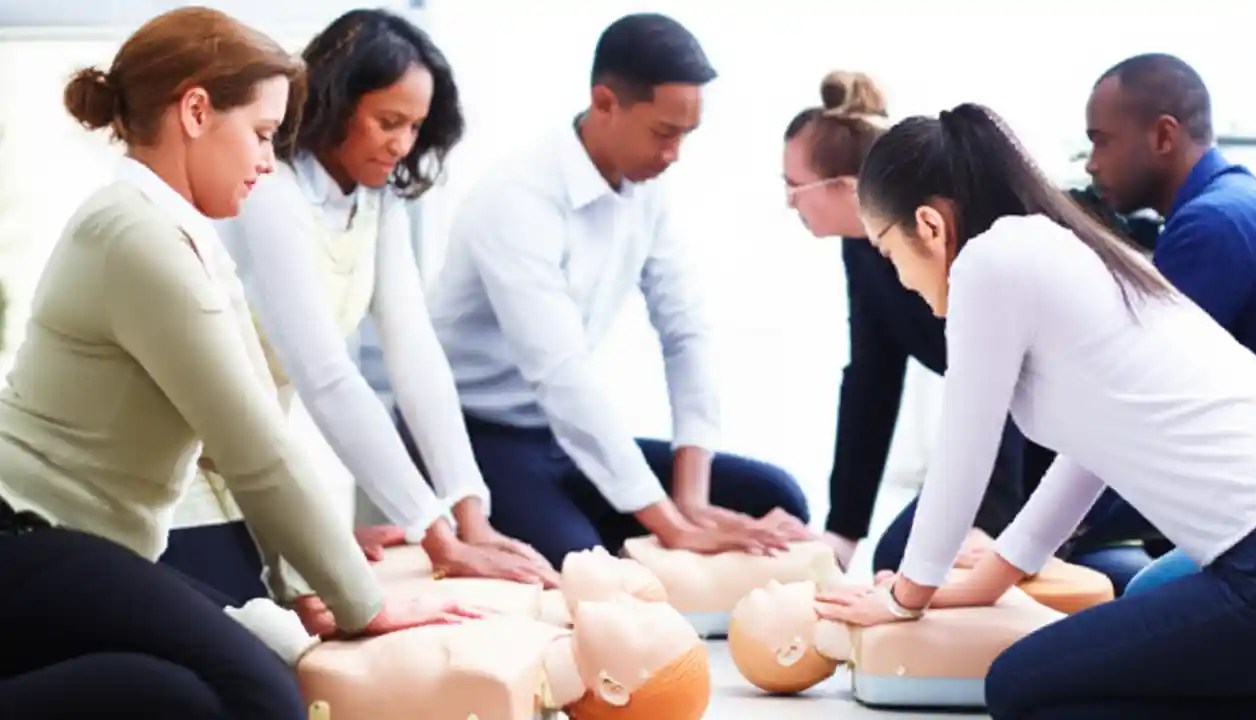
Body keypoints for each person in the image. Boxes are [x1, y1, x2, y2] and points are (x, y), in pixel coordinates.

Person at [0, 9, 474, 718]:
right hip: (26, 535)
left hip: (88, 545)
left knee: (181, 695)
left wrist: (297, 590)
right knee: (261, 692)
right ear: (195, 111)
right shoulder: (133, 234)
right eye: (259, 134)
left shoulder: (185, 237)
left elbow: (239, 450)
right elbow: (254, 447)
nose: (266, 159)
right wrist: (362, 603)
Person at [809, 102, 1256, 718]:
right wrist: (989, 578)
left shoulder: (987, 263)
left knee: (1023, 688)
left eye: (888, 252)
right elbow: (1089, 456)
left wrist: (905, 597)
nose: (898, 279)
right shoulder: (1066, 246)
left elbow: (964, 452)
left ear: (928, 225)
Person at [160, 8, 558, 609]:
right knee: (264, 650)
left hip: (251, 471)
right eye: (388, 121)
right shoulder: (270, 192)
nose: (402, 144)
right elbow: (325, 376)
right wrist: (433, 533)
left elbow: (416, 355)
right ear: (335, 104)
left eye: (416, 127)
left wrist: (469, 514)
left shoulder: (377, 202)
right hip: (178, 472)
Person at [422, 12, 810, 569]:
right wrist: (671, 527)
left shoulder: (645, 187)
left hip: (563, 438)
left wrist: (691, 500)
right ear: (605, 102)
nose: (674, 153)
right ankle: (610, 531)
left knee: (777, 498)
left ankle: (626, 522)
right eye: (664, 132)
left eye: (686, 135)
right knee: (582, 564)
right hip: (481, 439)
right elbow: (561, 373)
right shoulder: (515, 199)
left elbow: (685, 332)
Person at [783, 70, 1154, 592]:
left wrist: (986, 522)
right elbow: (871, 381)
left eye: (794, 187)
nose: (788, 203)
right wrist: (842, 534)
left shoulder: (983, 254)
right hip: (1025, 438)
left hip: (1054, 443)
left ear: (847, 187)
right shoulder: (864, 250)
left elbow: (996, 392)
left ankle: (1107, 556)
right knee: (900, 555)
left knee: (934, 562)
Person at [1085, 52, 1256, 596]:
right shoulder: (1240, 199)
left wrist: (1064, 530)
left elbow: (1148, 407)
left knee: (1100, 579)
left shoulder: (1206, 228)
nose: (1091, 163)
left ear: (1164, 136)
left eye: (1101, 140)